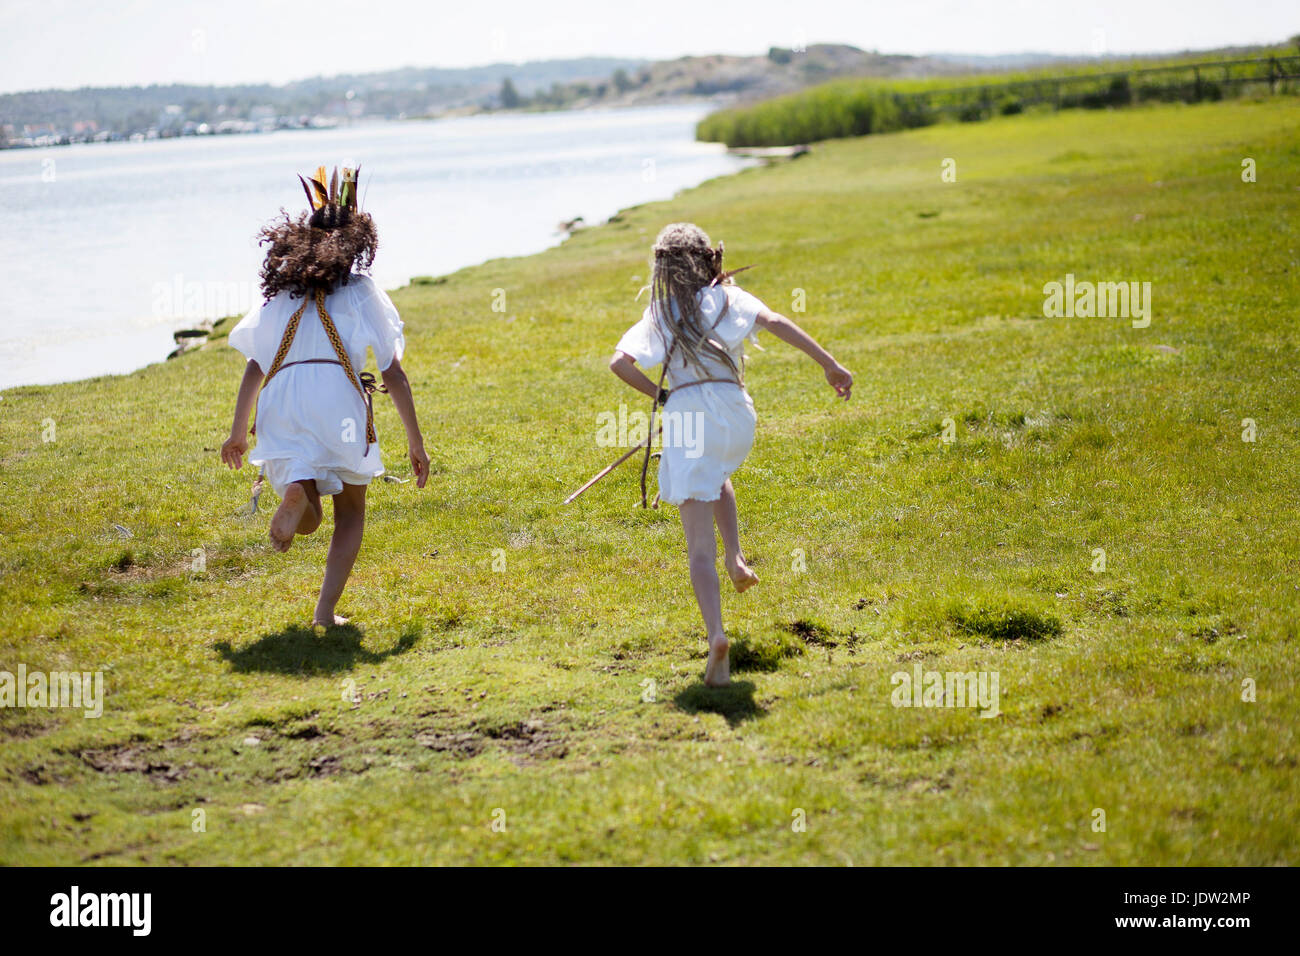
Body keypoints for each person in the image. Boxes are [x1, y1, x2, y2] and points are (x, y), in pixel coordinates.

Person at [610, 222, 852, 686]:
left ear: (663, 270)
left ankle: (717, 635)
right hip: (737, 415)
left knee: (697, 544)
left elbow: (619, 362)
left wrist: (661, 397)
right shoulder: (730, 297)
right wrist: (830, 365)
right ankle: (737, 559)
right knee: (715, 469)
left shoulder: (661, 311)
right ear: (708, 260)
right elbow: (778, 322)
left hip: (688, 412)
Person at [220, 166, 429, 627]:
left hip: (283, 399)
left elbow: (255, 365)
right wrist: (416, 442)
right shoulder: (359, 291)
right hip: (339, 399)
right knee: (350, 510)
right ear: (355, 243)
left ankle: (299, 492)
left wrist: (238, 432)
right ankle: (324, 613)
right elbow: (394, 373)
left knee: (309, 500)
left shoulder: (281, 295)